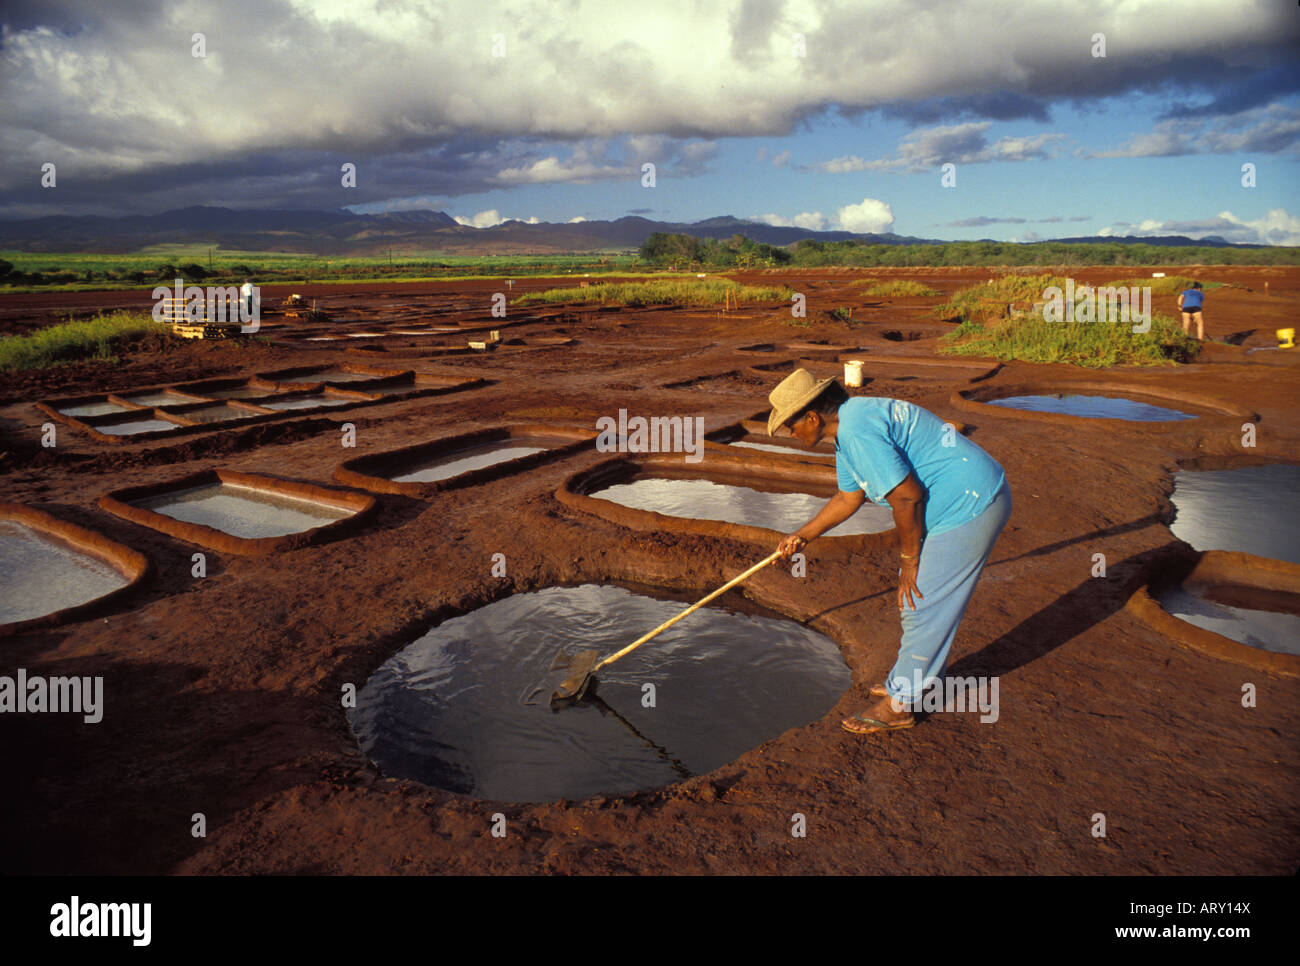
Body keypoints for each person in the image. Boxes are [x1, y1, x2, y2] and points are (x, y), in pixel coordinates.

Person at [768, 368, 1012, 735]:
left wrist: (909, 562)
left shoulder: (856, 432)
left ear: (813, 417)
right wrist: (802, 535)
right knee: (915, 599)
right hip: (957, 500)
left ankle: (901, 705)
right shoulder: (849, 428)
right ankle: (911, 679)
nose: (790, 433)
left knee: (920, 599)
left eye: (790, 424)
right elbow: (849, 496)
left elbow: (907, 495)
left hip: (970, 502)